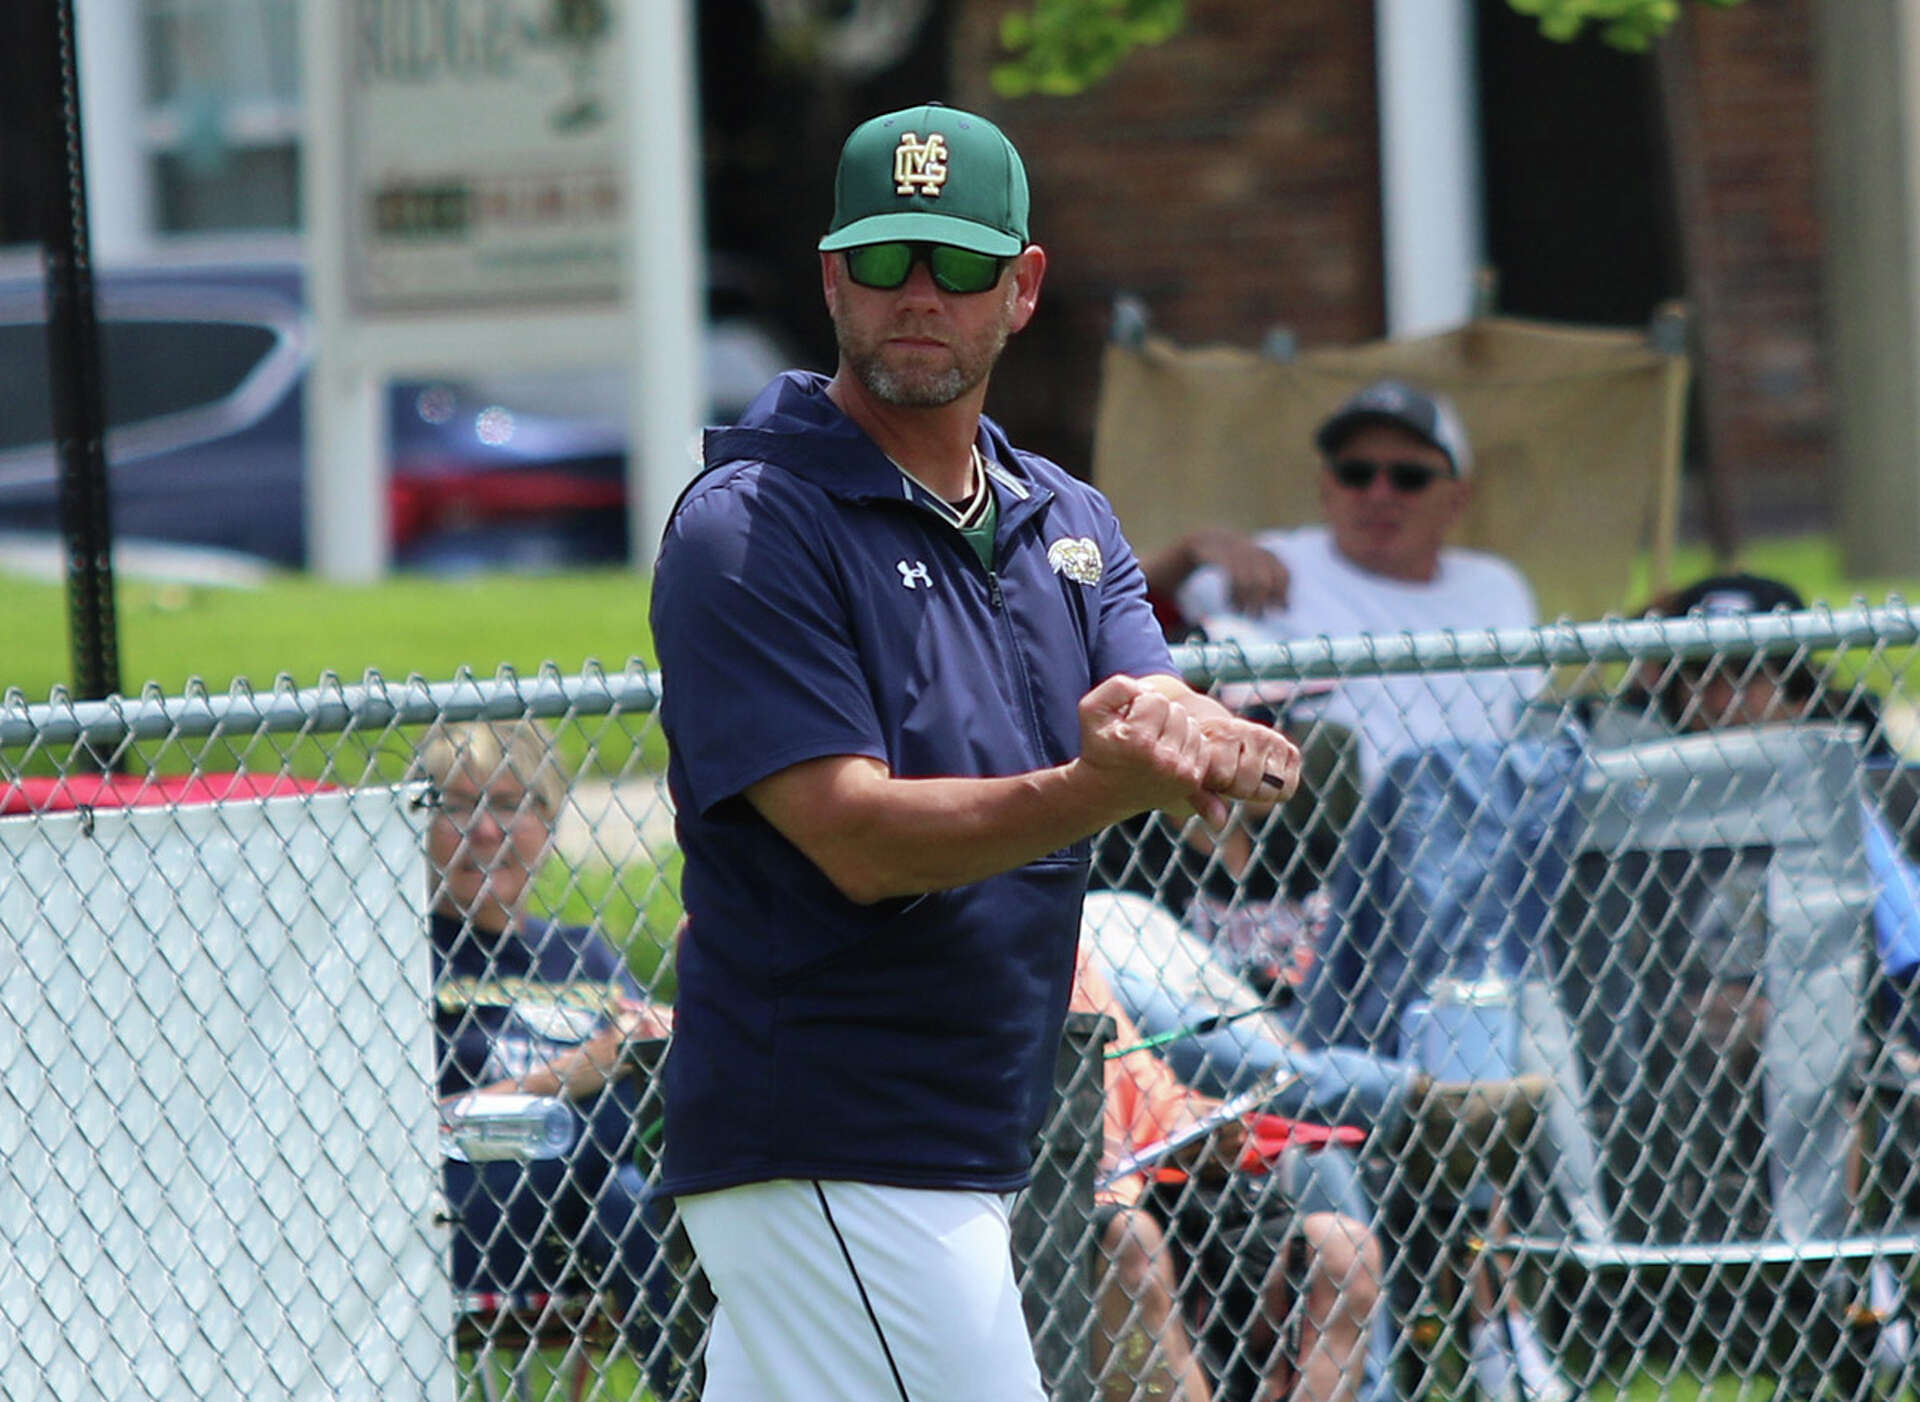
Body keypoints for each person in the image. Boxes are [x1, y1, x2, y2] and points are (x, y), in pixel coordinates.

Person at [648, 101, 1302, 1402]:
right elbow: (857, 837)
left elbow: (1155, 703)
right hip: (834, 1133)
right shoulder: (752, 524)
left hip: (968, 1132)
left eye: (958, 263)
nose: (920, 294)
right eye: (887, 261)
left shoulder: (1066, 517)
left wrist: (1228, 748)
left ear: (1023, 286)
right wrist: (1099, 786)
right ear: (834, 276)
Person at [417, 720, 677, 1380]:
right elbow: (413, 1127)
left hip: (595, 1226)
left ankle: (696, 1385)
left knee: (626, 1193)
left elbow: (649, 1038)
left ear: (549, 821)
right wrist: (569, 1076)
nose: (484, 831)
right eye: (455, 805)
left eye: (509, 805)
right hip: (473, 1218)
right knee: (600, 1125)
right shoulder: (403, 958)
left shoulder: (581, 952)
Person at [1141, 377, 1544, 785]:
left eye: (1409, 477)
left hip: (1481, 818)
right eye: (1356, 473)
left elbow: (1531, 726)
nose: (1379, 494)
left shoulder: (1496, 588)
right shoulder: (1274, 567)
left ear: (1458, 498)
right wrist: (1189, 553)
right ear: (1325, 487)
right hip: (1324, 835)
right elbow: (1115, 613)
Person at [1078, 941, 1381, 1402]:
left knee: (1345, 1250)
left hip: (1168, 1191)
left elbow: (1155, 1096)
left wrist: (1197, 1122)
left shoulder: (1069, 955)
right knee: (1132, 1240)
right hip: (1080, 1207)